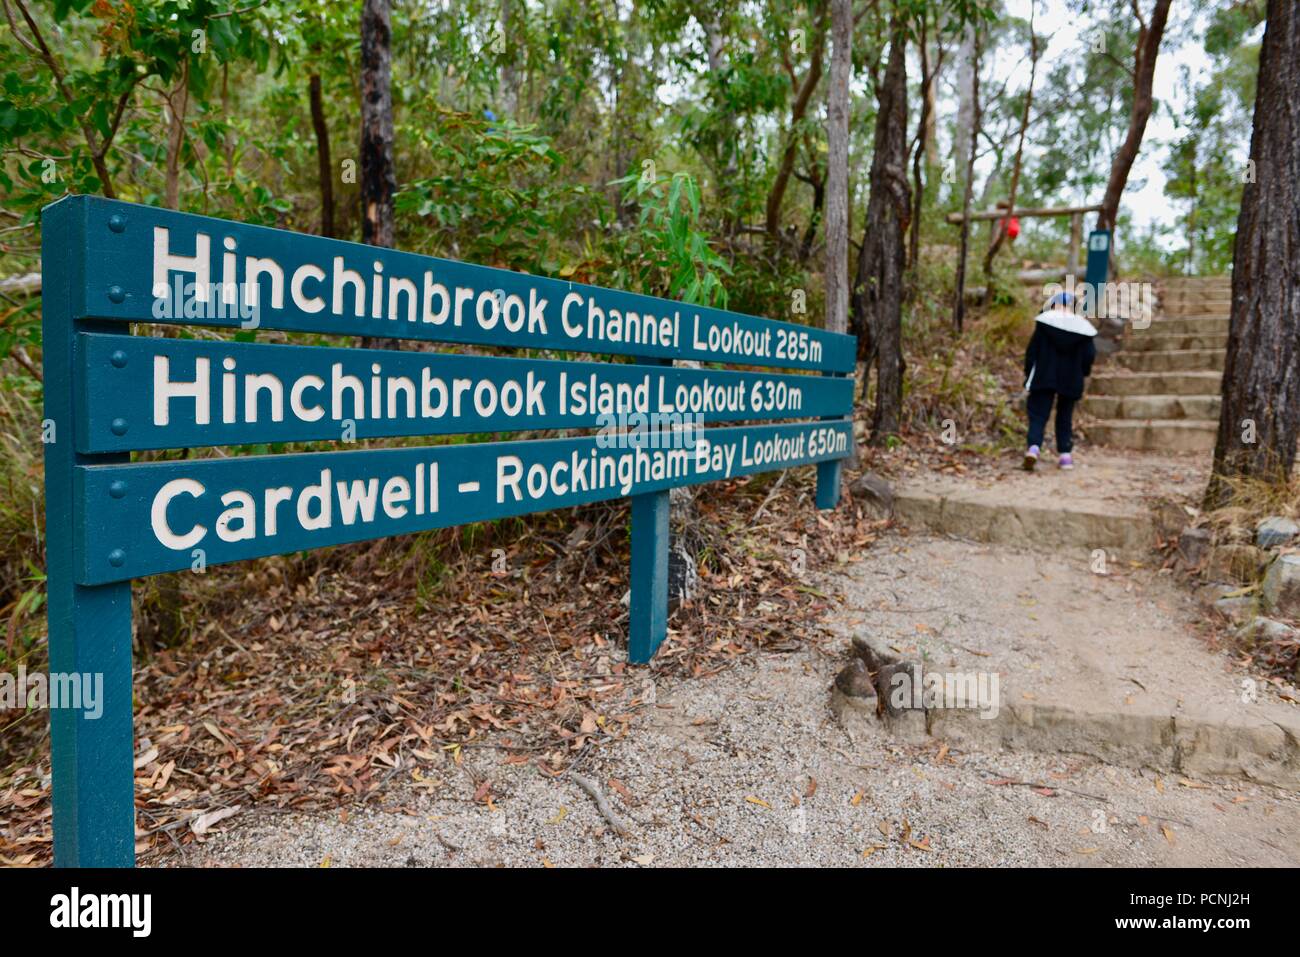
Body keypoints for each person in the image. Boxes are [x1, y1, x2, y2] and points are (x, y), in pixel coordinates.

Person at [1021, 290, 1097, 471]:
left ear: (1053, 305)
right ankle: (1065, 455)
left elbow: (1032, 353)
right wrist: (1083, 372)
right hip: (1071, 379)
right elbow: (1089, 356)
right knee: (1065, 416)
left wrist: (1028, 373)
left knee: (1038, 414)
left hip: (1044, 376)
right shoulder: (1083, 328)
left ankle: (1033, 447)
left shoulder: (1045, 322)